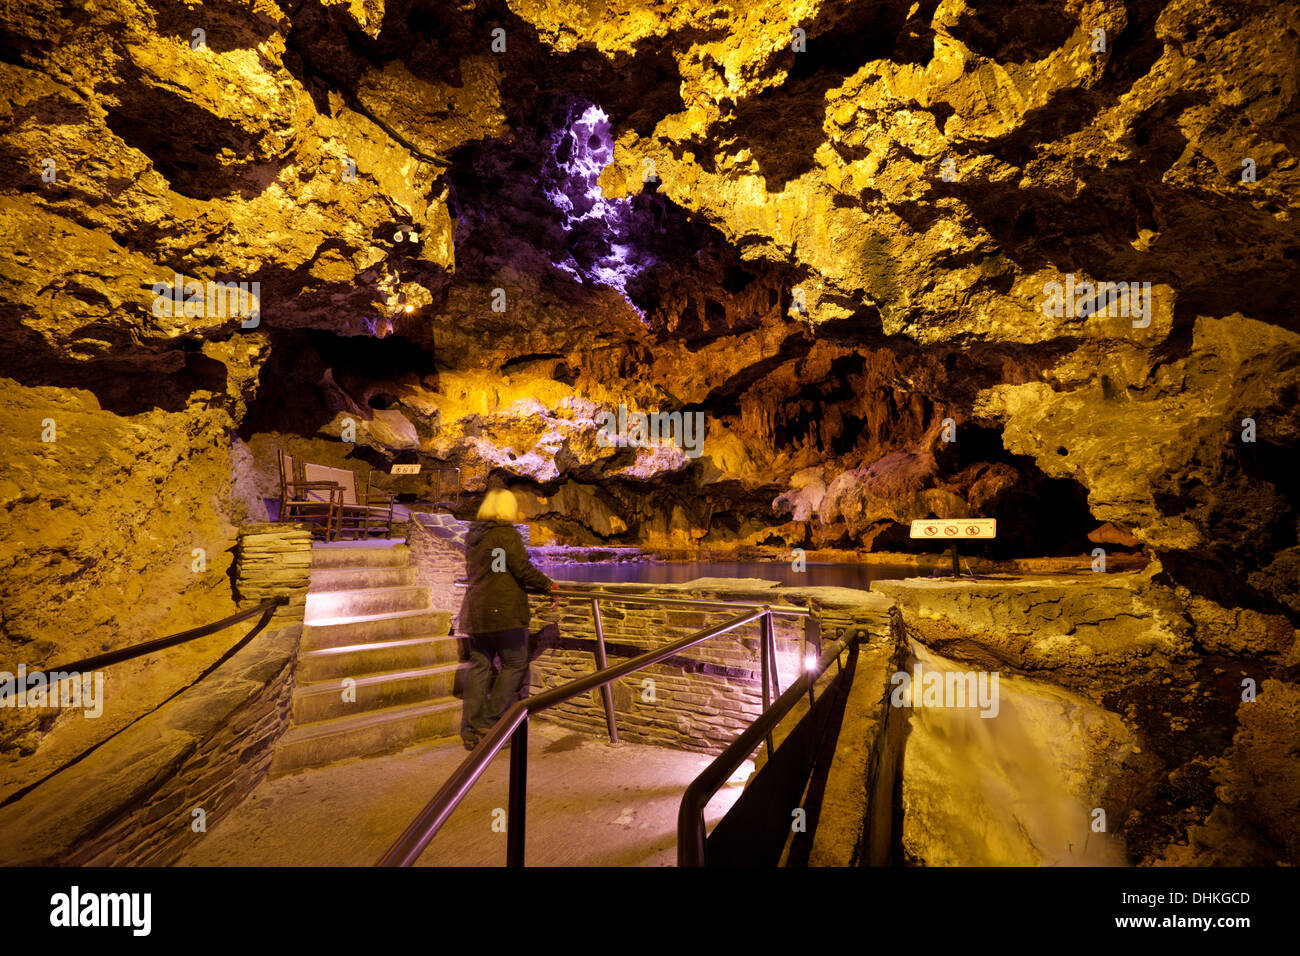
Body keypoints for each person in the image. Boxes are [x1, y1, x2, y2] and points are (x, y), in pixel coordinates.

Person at [457, 487, 557, 750]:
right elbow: (522, 569)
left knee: (479, 667)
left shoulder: (474, 535)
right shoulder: (506, 534)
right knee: (514, 663)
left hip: (477, 611)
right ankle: (489, 723)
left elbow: (488, 570)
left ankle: (471, 729)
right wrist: (549, 586)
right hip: (504, 610)